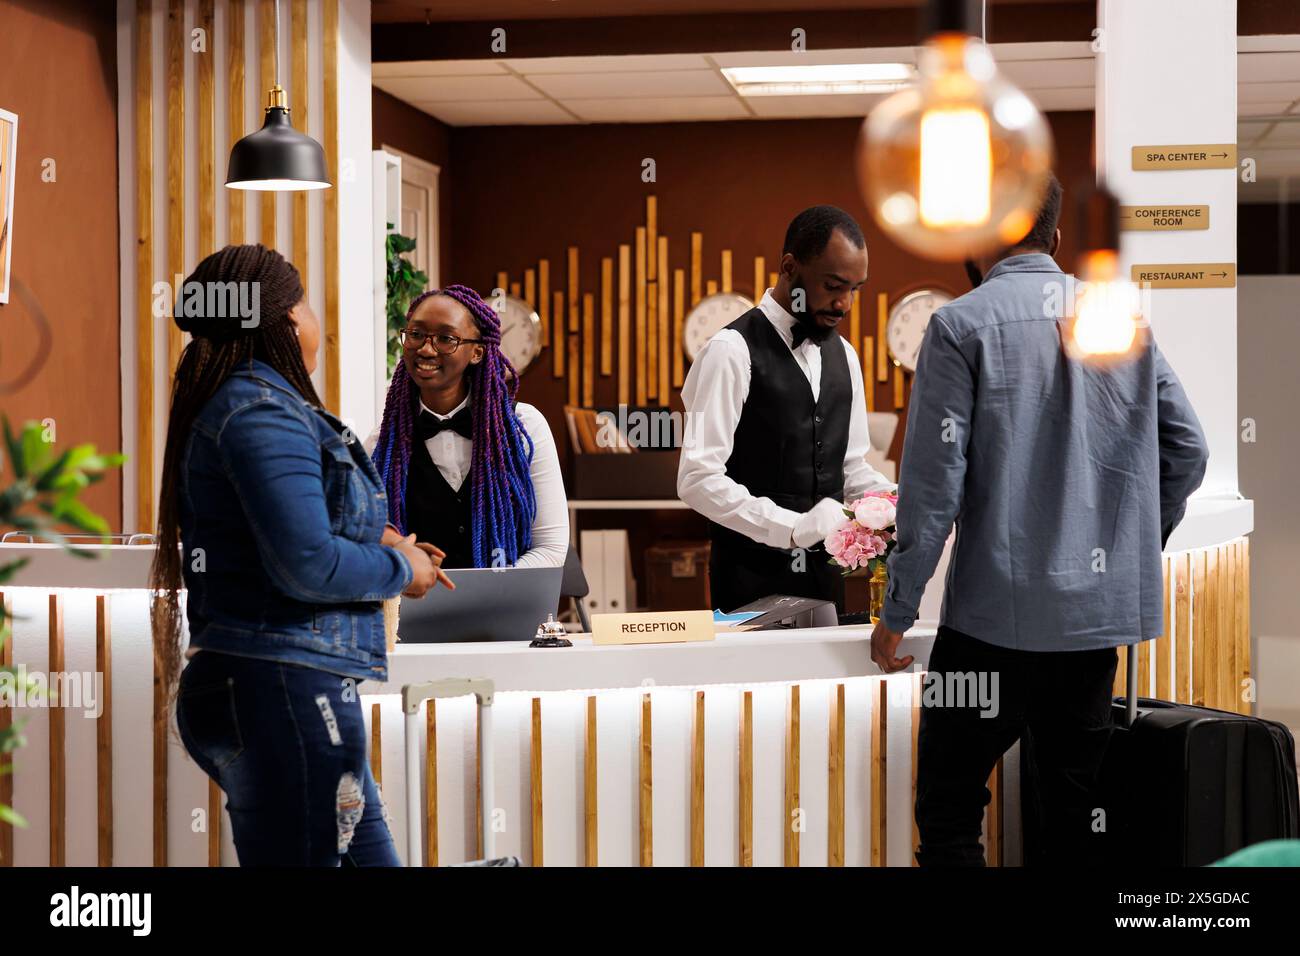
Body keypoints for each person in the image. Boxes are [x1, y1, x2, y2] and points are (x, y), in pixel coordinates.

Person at [870, 175, 1210, 866]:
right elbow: (1190, 450)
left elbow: (934, 486)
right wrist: (1130, 544)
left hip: (990, 625)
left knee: (950, 804)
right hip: (1089, 629)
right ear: (1056, 238)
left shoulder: (959, 324)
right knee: (1073, 810)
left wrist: (897, 610)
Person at [151, 243, 448, 867]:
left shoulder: (251, 405)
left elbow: (286, 534)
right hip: (281, 688)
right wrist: (404, 570)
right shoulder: (260, 410)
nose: (317, 319)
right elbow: (305, 563)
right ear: (286, 321)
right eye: (305, 301)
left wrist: (377, 536)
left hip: (288, 688)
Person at [678, 205, 895, 613]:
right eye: (833, 286)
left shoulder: (845, 356)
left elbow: (850, 468)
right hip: (749, 586)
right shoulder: (730, 351)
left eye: (855, 289)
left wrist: (898, 503)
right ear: (790, 267)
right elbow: (697, 477)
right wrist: (792, 529)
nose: (844, 304)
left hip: (825, 581)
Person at [369, 284, 568, 569]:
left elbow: (550, 549)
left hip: (507, 608)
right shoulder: (381, 447)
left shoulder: (524, 428)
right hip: (418, 611)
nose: (426, 348)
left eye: (445, 338)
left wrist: (488, 595)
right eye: (416, 334)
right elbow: (371, 548)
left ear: (477, 352)